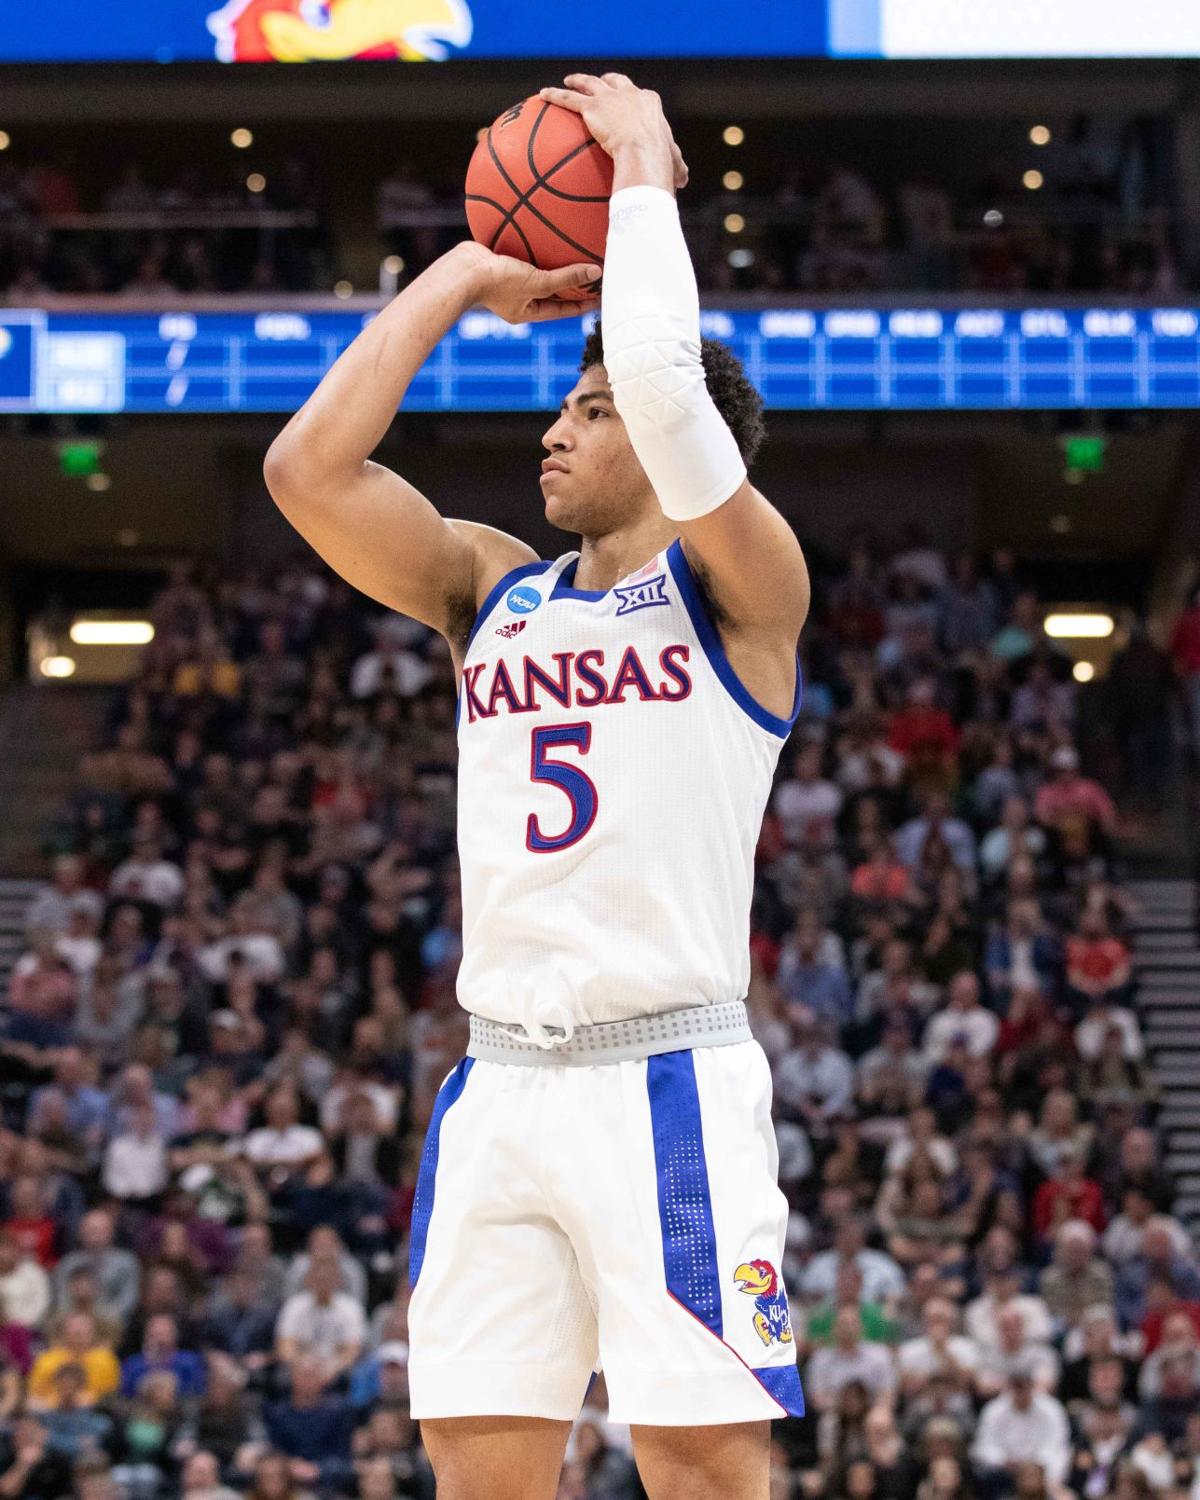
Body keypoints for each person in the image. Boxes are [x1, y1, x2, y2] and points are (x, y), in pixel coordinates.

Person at [265, 72, 811, 1500]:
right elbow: (307, 469)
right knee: (478, 1476)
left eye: (591, 409)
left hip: (666, 1077)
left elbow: (672, 391)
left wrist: (641, 178)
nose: (554, 432)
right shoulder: (492, 589)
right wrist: (459, 275)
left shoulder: (746, 591)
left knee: (703, 1470)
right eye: (561, 408)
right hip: (500, 1079)